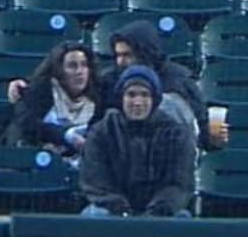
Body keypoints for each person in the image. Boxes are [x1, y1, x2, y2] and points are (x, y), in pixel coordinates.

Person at [79, 65, 194, 217]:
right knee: (95, 215)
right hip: (113, 210)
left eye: (145, 95)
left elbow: (179, 183)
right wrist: (121, 209)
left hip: (160, 212)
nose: (138, 102)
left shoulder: (176, 133)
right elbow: (96, 181)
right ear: (121, 98)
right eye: (131, 95)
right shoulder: (101, 132)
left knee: (182, 217)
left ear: (155, 99)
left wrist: (157, 211)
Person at [102, 19, 226, 152]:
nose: (120, 62)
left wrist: (214, 140)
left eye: (127, 55)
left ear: (144, 52)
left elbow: (201, 132)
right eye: (118, 55)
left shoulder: (178, 81)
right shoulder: (109, 80)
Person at [5, 41, 100, 156]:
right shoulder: (39, 91)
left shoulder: (99, 94)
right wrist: (66, 136)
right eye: (72, 66)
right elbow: (27, 125)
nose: (80, 71)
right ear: (59, 70)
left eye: (84, 65)